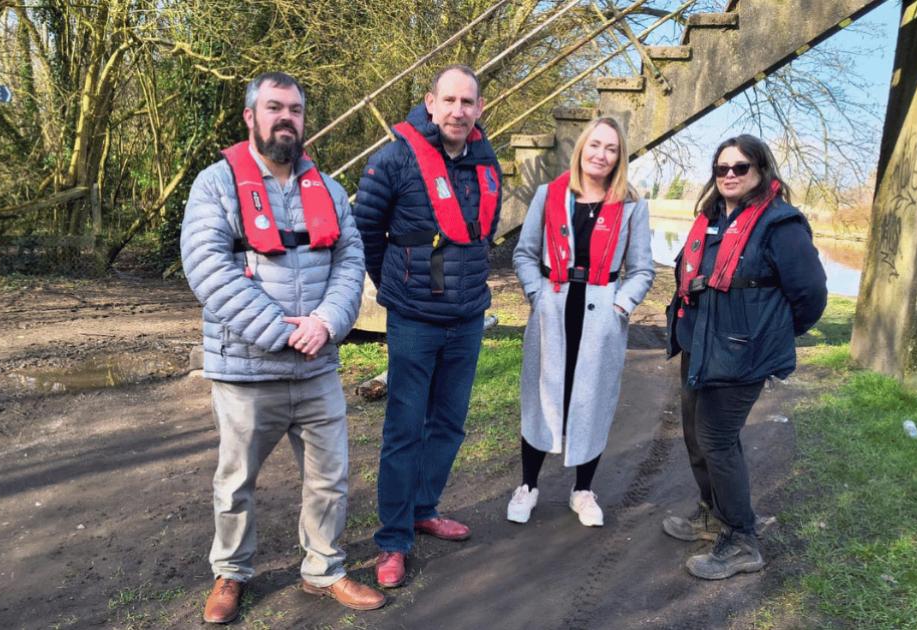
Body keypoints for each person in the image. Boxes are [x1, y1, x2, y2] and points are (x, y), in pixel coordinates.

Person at [181, 71, 383, 624]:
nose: (286, 117)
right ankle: (231, 572)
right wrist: (280, 330)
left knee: (329, 478)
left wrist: (326, 323)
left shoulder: (331, 191)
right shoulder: (216, 185)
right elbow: (207, 267)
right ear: (250, 116)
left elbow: (350, 264)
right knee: (236, 481)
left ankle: (324, 569)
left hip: (317, 367)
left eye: (294, 109)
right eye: (274, 107)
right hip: (247, 370)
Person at [354, 64, 503, 589]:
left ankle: (423, 508)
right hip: (414, 319)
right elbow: (366, 230)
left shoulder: (488, 164)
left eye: (469, 102)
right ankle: (393, 540)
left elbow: (484, 236)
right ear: (430, 102)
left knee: (449, 423)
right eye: (450, 101)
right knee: (402, 430)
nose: (459, 111)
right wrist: (396, 285)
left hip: (467, 319)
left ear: (479, 109)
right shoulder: (396, 158)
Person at [661, 134, 827, 580]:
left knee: (717, 440)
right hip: (698, 346)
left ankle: (741, 540)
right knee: (697, 437)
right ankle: (712, 513)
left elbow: (810, 294)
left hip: (741, 355)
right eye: (722, 168)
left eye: (741, 167)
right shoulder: (710, 219)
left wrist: (771, 334)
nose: (730, 175)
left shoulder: (780, 224)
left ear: (761, 171)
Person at [508, 117, 654, 526]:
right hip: (553, 309)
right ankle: (528, 486)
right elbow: (524, 253)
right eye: (595, 145)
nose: (601, 154)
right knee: (541, 397)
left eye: (610, 148)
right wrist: (536, 294)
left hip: (600, 315)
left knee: (591, 400)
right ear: (581, 149)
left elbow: (642, 268)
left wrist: (620, 306)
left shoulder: (631, 206)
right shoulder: (549, 195)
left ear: (619, 156)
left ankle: (583, 490)